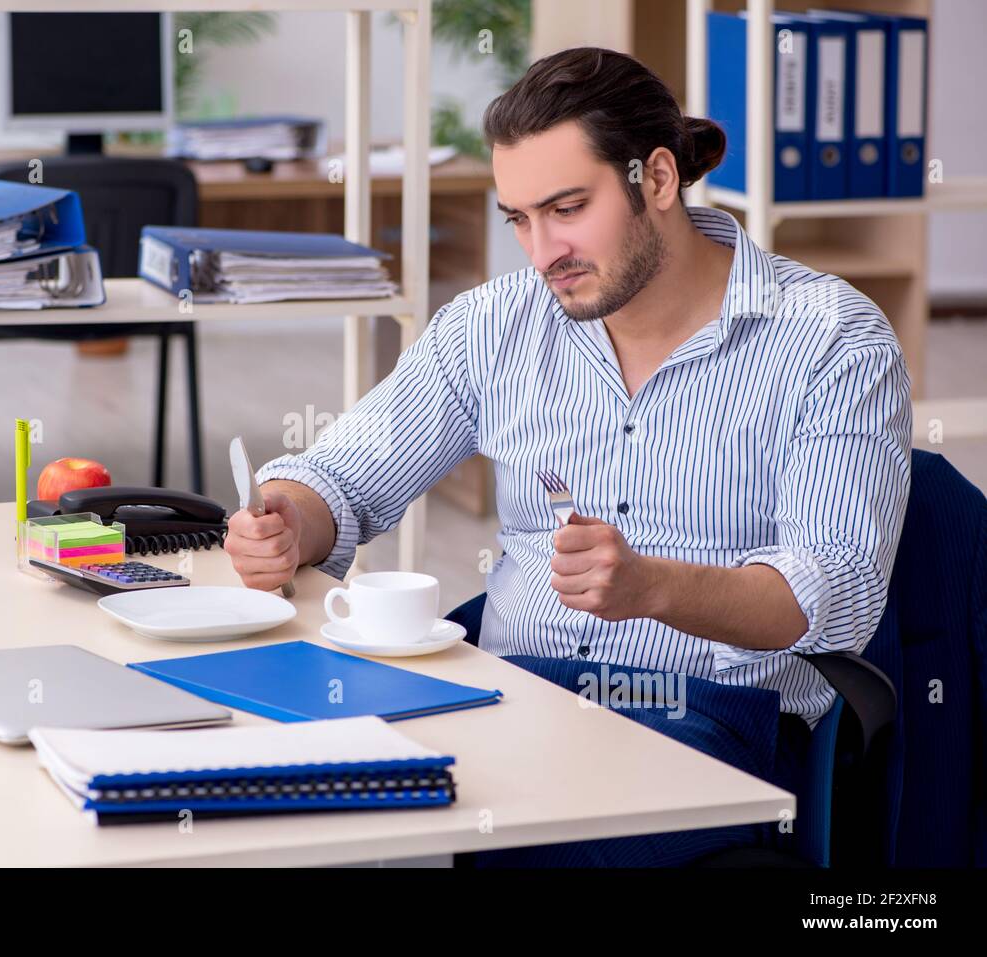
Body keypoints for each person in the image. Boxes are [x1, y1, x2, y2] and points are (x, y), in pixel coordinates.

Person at [224, 47, 912, 866]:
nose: (542, 250)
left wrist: (655, 586)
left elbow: (834, 592)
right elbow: (343, 472)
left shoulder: (833, 340)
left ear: (657, 179)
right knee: (273, 809)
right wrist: (289, 521)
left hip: (706, 724)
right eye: (519, 218)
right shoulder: (493, 324)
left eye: (568, 207)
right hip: (505, 701)